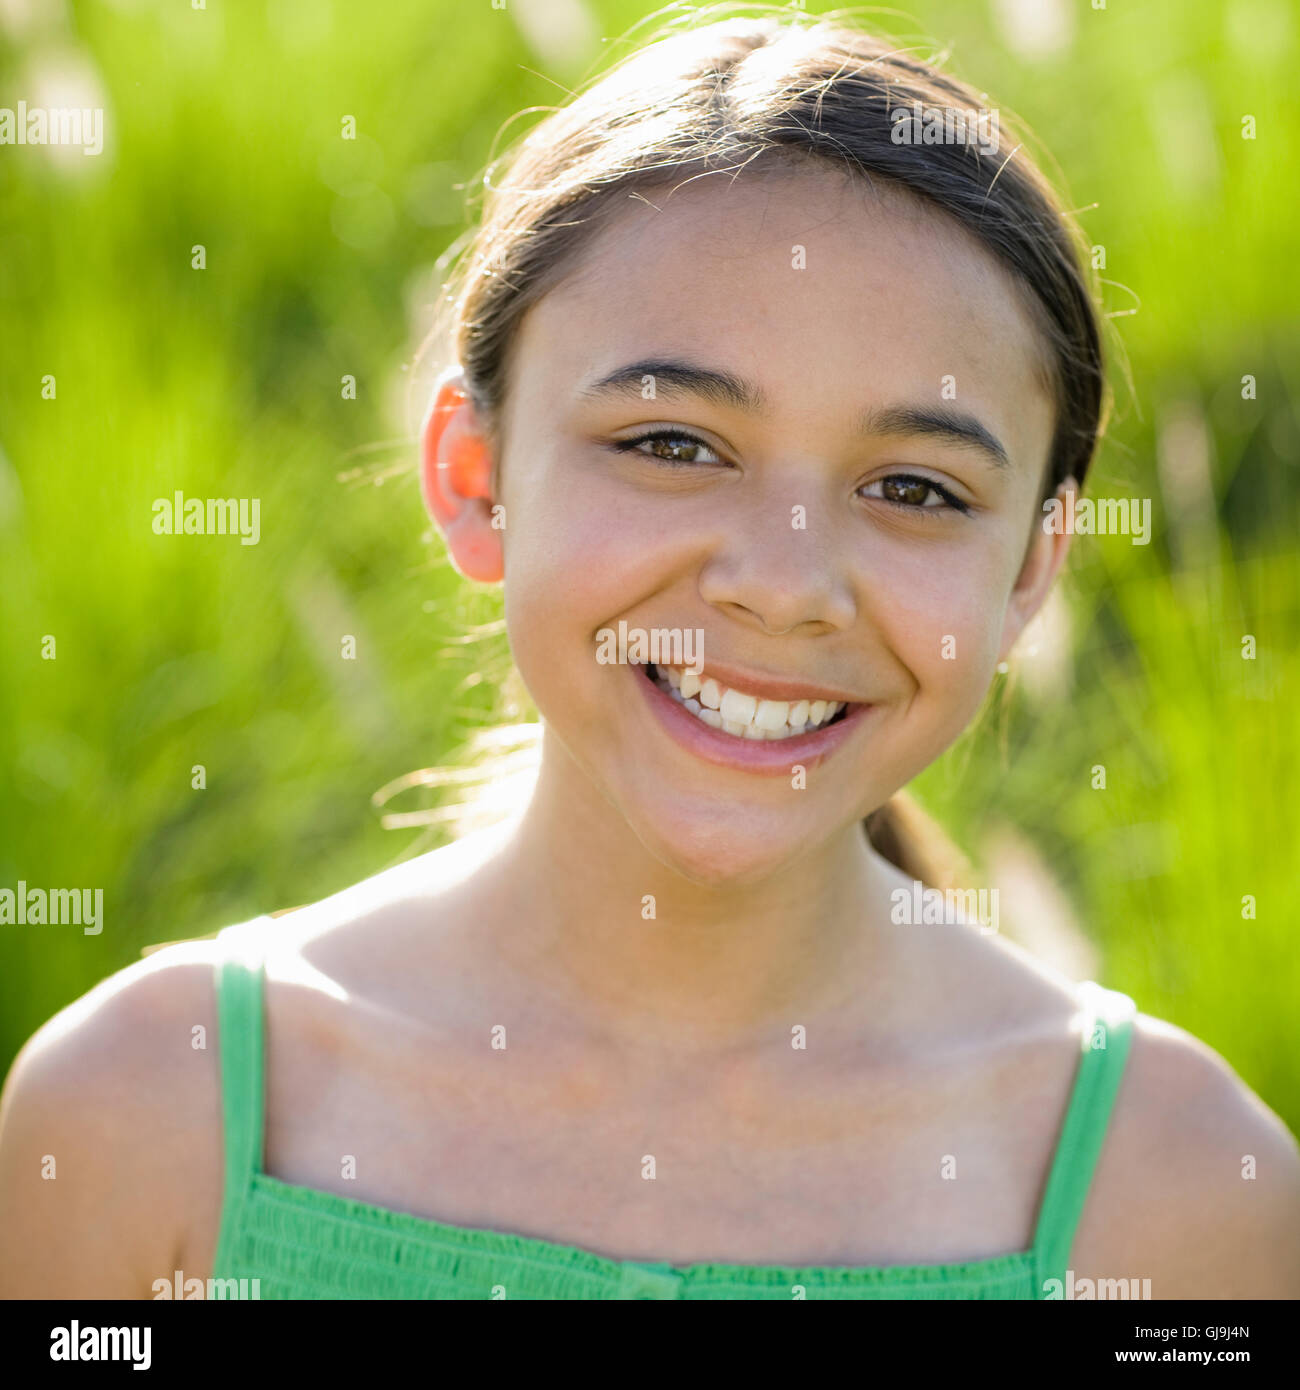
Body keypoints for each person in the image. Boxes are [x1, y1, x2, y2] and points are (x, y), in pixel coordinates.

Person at [2, 8, 1296, 1300]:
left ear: (1032, 566)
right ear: (471, 474)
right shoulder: (146, 1123)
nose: (785, 586)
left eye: (915, 486)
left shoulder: (1178, 1197)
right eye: (673, 444)